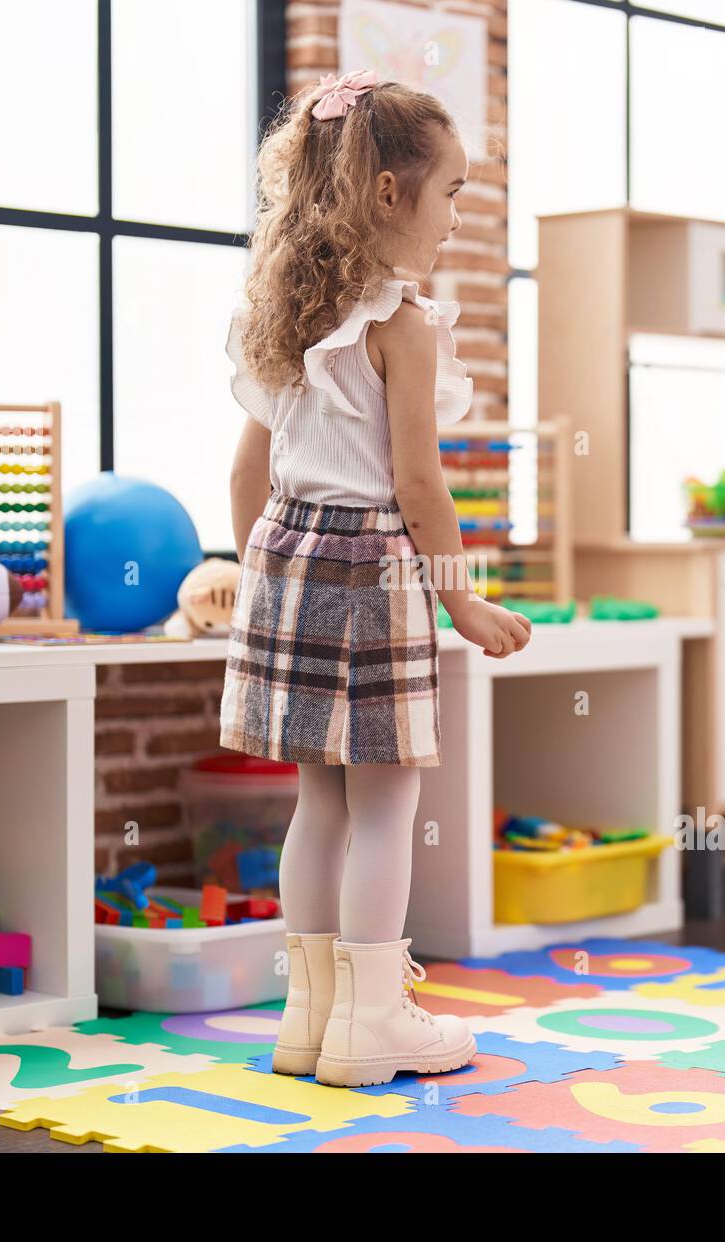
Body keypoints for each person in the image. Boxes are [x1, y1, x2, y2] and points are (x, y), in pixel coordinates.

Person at [219, 69, 531, 1087]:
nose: (455, 218)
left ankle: (307, 1021)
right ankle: (371, 1023)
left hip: (287, 554)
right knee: (386, 808)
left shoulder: (287, 317)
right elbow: (417, 484)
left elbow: (244, 476)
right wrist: (461, 598)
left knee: (319, 804)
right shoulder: (401, 324)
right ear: (389, 195)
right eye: (450, 193)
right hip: (371, 563)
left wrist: (258, 590)